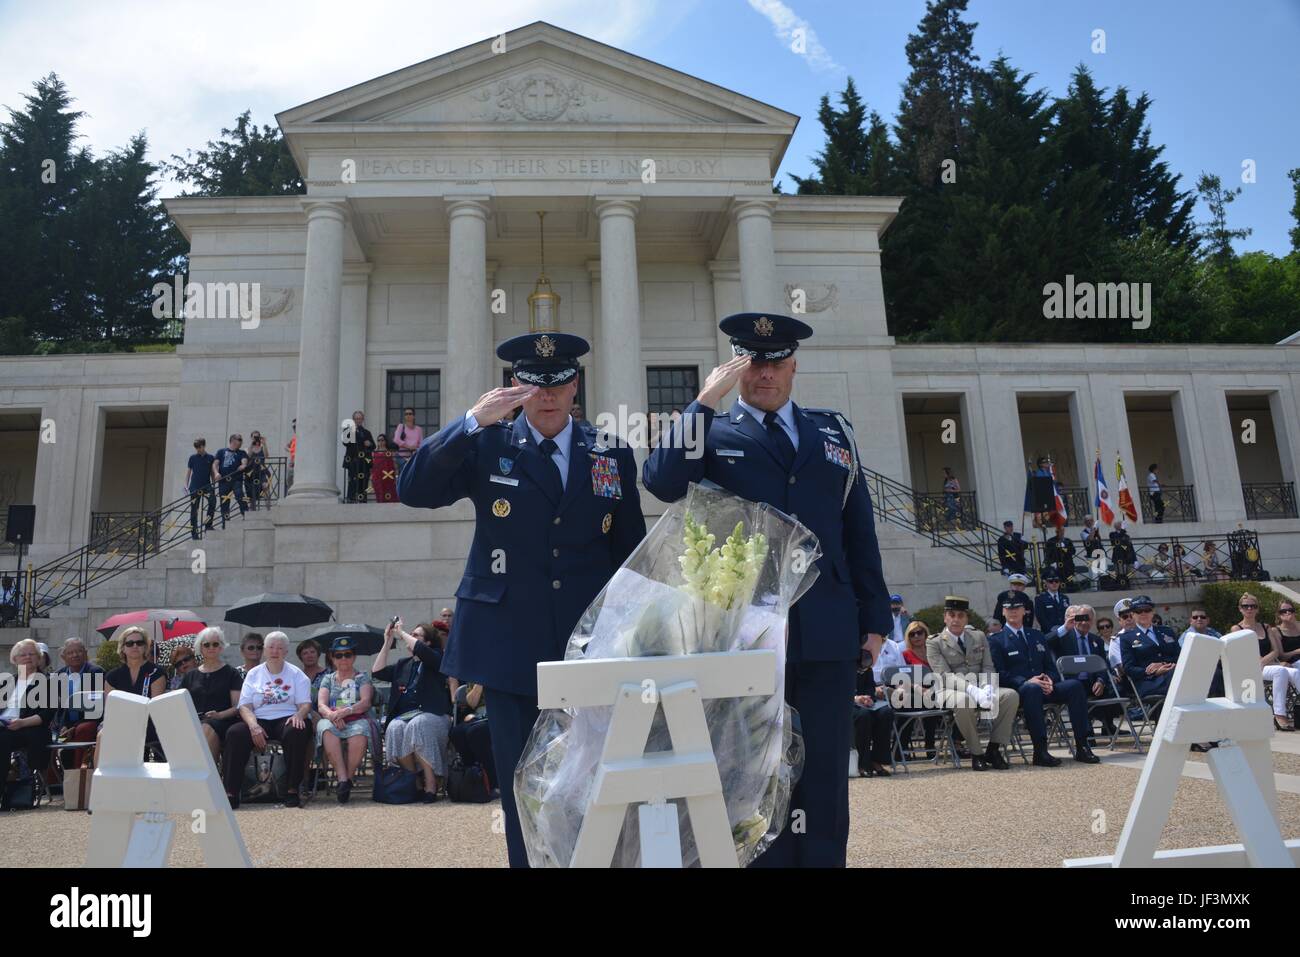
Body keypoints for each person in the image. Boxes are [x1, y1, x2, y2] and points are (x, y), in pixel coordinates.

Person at [643, 312, 890, 869]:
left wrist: (875, 620)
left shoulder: (833, 433)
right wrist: (703, 402)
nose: (765, 372)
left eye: (776, 361)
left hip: (825, 630)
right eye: (753, 361)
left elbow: (858, 531)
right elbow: (659, 480)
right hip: (744, 634)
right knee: (749, 771)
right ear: (737, 365)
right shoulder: (713, 429)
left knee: (824, 773)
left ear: (793, 366)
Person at [400, 331, 646, 866]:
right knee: (522, 786)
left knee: (591, 779)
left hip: (589, 643)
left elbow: (630, 554)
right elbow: (413, 488)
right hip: (510, 643)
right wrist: (469, 422)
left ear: (575, 384)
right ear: (515, 386)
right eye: (534, 383)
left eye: (559, 382)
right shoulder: (487, 443)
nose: (548, 394)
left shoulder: (610, 452)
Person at [988, 593, 1098, 765]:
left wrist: (1050, 680)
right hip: (1022, 690)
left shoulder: (1036, 635)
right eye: (1009, 609)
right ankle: (1040, 750)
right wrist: (1026, 681)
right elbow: (1000, 673)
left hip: (1045, 686)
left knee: (1074, 686)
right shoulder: (996, 640)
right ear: (1003, 612)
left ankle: (1083, 746)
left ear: (1024, 611)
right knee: (1032, 690)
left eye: (1017, 608)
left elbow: (1050, 666)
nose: (1013, 612)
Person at [926, 597, 1017, 770]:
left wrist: (988, 686)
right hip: (949, 689)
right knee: (963, 701)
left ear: (966, 619)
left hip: (980, 687)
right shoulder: (934, 642)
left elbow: (988, 666)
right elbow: (944, 675)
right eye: (951, 615)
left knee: (1010, 696)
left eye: (960, 615)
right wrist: (972, 690)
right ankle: (977, 753)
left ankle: (993, 749)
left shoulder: (978, 636)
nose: (956, 619)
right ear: (945, 617)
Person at [224, 631, 312, 808]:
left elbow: (305, 704)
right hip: (259, 718)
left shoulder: (297, 675)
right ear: (264, 650)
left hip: (287, 717)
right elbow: (244, 706)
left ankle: (292, 790)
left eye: (280, 648)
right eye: (271, 647)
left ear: (286, 652)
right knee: (235, 733)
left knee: (298, 730)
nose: (275, 651)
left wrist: (299, 715)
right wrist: (253, 725)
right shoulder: (253, 674)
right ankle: (231, 791)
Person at [372, 619, 453, 802]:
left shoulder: (437, 657)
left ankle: (431, 783)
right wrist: (387, 640)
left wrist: (401, 633)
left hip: (434, 714)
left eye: (416, 635)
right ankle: (413, 781)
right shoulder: (403, 664)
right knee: (394, 727)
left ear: (428, 642)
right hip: (406, 716)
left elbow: (422, 651)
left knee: (418, 724)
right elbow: (377, 671)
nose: (410, 637)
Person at [95, 626, 167, 765]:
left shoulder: (156, 673)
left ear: (146, 647)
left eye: (140, 643)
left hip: (148, 724)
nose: (135, 646)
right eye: (129, 643)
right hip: (121, 722)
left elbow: (154, 707)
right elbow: (112, 708)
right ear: (123, 648)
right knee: (102, 735)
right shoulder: (112, 676)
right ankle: (99, 781)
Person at [1050, 604, 1121, 739]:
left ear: (1093, 620)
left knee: (1116, 687)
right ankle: (1085, 731)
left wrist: (1101, 680)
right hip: (1071, 682)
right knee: (1077, 690)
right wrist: (1065, 627)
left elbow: (1103, 665)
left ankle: (1108, 724)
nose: (1084, 622)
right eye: (1080, 618)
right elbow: (1045, 641)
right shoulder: (1063, 635)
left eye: (1087, 618)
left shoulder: (1096, 640)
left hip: (1092, 682)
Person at [316, 636, 374, 803]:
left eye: (347, 654)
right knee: (326, 729)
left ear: (354, 657)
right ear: (332, 658)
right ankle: (342, 779)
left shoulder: (361, 677)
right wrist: (333, 716)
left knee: (360, 734)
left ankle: (347, 779)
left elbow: (365, 702)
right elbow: (321, 704)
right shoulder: (327, 679)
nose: (343, 659)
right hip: (332, 718)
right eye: (338, 655)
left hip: (355, 717)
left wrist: (346, 712)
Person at [1236, 594, 1300, 732]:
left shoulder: (1265, 627)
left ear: (1257, 609)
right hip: (1250, 667)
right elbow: (1242, 651)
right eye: (1245, 606)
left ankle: (1280, 714)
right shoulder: (1237, 629)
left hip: (1267, 665)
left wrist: (1265, 662)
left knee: (1294, 672)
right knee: (1280, 671)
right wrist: (1266, 663)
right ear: (1240, 609)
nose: (1249, 609)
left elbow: (1276, 650)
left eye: (1253, 606)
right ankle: (1279, 715)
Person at [0, 639, 54, 796]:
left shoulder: (49, 682)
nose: (27, 657)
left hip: (30, 728)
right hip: (4, 727)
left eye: (32, 654)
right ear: (14, 659)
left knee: (2, 740)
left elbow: (46, 714)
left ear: (39, 658)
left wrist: (22, 723)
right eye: (22, 654)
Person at [181, 627, 243, 762]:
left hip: (223, 721)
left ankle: (205, 777)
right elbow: (181, 704)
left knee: (207, 728)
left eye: (215, 644)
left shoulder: (232, 673)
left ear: (221, 647)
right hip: (194, 722)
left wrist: (219, 715)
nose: (211, 647)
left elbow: (237, 707)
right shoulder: (190, 675)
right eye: (207, 644)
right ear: (200, 647)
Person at [51, 637, 104, 768]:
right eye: (70, 652)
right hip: (64, 728)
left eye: (79, 651)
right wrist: (61, 726)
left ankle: (77, 774)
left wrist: (73, 727)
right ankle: (51, 784)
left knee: (83, 730)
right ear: (63, 657)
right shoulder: (58, 676)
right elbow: (55, 707)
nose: (75, 655)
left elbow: (97, 707)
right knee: (50, 738)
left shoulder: (95, 672)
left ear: (85, 653)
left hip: (85, 723)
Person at [1118, 594, 1180, 701]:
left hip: (1172, 673)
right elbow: (1129, 668)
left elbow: (1179, 656)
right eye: (1138, 611)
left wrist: (1163, 664)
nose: (1143, 613)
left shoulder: (1166, 631)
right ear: (1132, 614)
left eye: (1147, 610)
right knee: (1177, 679)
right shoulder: (1127, 638)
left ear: (1152, 612)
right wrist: (1153, 671)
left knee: (1214, 674)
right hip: (1148, 681)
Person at [897, 620, 940, 759]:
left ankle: (931, 745)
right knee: (921, 701)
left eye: (919, 632)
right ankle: (903, 748)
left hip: (936, 689)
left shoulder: (934, 651)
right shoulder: (905, 655)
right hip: (914, 691)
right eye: (912, 634)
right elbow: (903, 679)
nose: (916, 636)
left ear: (925, 633)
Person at [853, 651, 892, 777]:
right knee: (863, 716)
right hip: (846, 704)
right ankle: (862, 763)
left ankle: (877, 760)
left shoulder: (867, 669)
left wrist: (868, 698)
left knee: (886, 712)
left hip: (864, 703)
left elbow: (870, 688)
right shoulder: (842, 667)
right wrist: (855, 698)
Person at [450, 681, 494, 789]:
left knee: (476, 732)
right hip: (480, 714)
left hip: (498, 712)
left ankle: (493, 781)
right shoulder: (476, 671)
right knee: (457, 733)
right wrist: (481, 680)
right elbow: (472, 703)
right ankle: (473, 778)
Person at [214, 434, 249, 526]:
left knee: (240, 495)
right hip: (223, 481)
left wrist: (244, 465)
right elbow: (215, 464)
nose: (241, 442)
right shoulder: (221, 451)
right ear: (233, 440)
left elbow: (244, 461)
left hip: (236, 479)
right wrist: (216, 473)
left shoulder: (242, 453)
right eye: (239, 439)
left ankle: (246, 515)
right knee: (224, 502)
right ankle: (225, 523)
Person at [185, 438, 216, 539]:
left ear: (204, 446)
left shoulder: (211, 457)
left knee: (213, 501)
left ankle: (208, 524)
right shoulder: (192, 458)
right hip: (194, 486)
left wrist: (214, 484)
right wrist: (186, 485)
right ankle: (194, 534)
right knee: (194, 510)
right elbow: (188, 473)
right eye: (196, 447)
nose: (197, 449)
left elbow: (212, 473)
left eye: (199, 447)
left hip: (206, 485)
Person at [343, 410, 375, 503]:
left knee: (364, 481)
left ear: (363, 420)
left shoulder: (366, 432)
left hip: (365, 461)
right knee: (352, 480)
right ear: (353, 420)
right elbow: (345, 442)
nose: (358, 421)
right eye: (356, 419)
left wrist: (369, 444)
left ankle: (363, 499)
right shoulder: (347, 430)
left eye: (360, 419)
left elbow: (374, 446)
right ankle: (351, 499)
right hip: (353, 460)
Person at [1034, 570, 1070, 634]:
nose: (1054, 583)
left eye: (1056, 581)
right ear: (1046, 583)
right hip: (1049, 633)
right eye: (1051, 581)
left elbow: (1068, 615)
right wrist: (1051, 630)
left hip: (1065, 632)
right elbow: (1041, 618)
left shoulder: (1064, 598)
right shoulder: (1040, 599)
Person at [370, 433, 399, 503]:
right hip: (377, 478)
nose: (380, 442)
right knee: (379, 496)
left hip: (387, 477)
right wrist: (371, 477)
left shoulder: (389, 452)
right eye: (379, 440)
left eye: (382, 440)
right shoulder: (374, 453)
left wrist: (395, 476)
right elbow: (372, 466)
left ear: (385, 441)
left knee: (390, 495)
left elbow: (394, 465)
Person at [393, 407, 424, 472]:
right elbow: (396, 440)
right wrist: (409, 447)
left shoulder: (419, 429)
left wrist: (416, 448)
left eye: (410, 414)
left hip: (414, 456)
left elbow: (421, 443)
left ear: (414, 416)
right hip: (402, 456)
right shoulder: (401, 426)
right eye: (406, 414)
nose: (408, 415)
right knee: (405, 473)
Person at [245, 432, 268, 511]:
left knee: (266, 487)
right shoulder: (248, 448)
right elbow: (248, 456)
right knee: (252, 494)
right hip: (251, 473)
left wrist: (264, 444)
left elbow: (266, 456)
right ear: (251, 438)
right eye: (254, 437)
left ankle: (269, 509)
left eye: (258, 437)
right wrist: (252, 445)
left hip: (261, 472)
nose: (256, 438)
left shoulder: (262, 447)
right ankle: (252, 511)